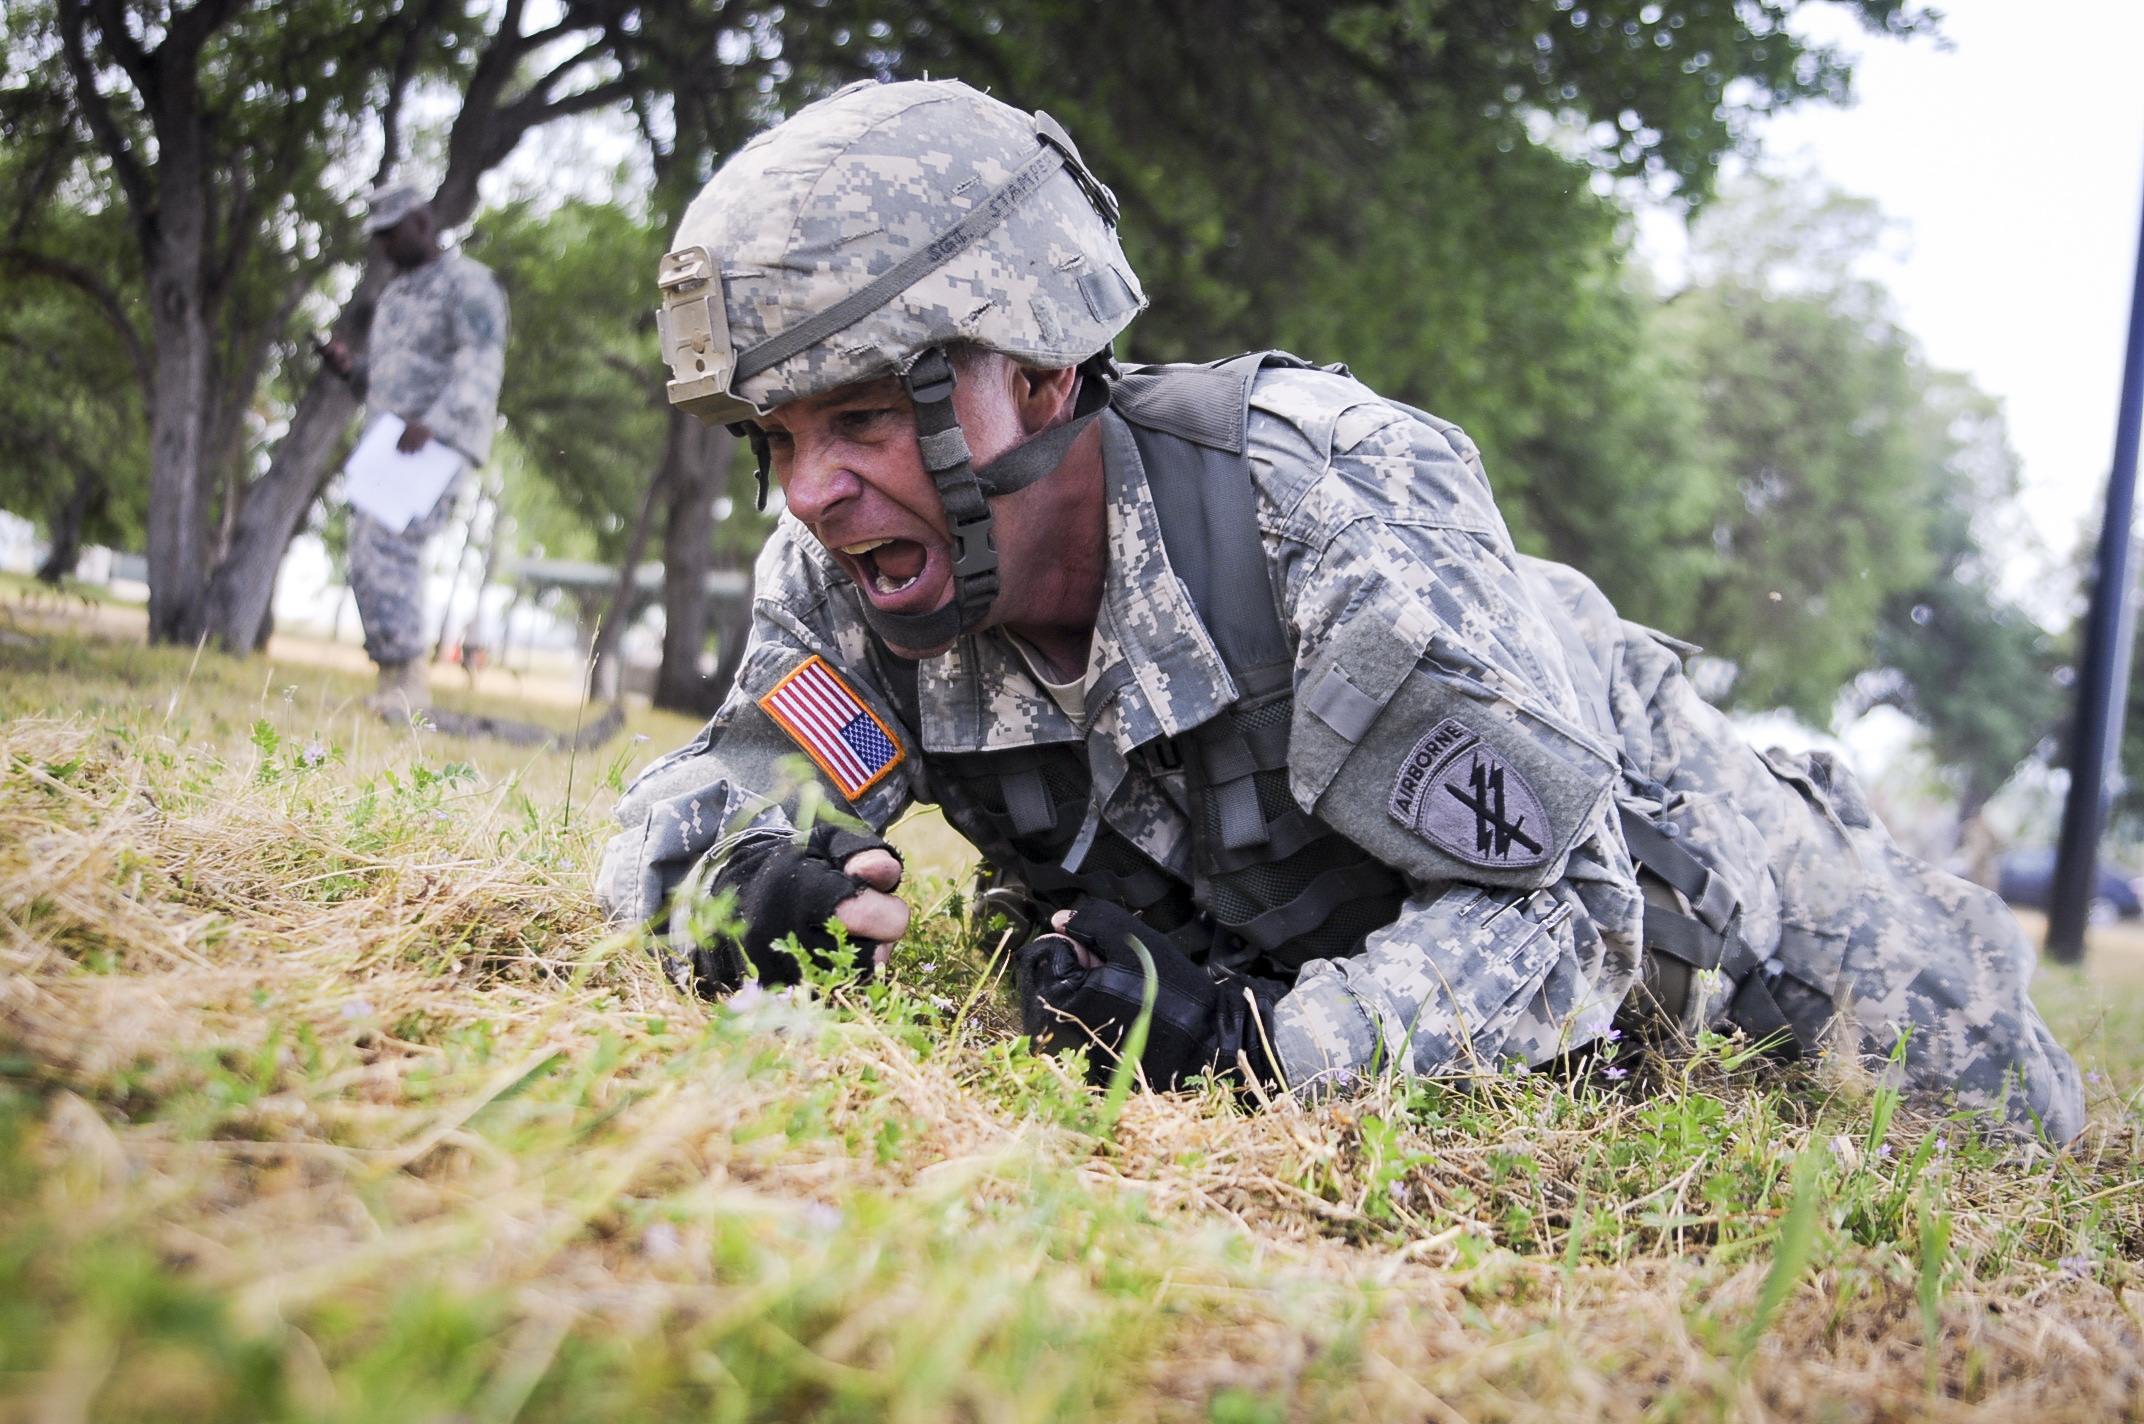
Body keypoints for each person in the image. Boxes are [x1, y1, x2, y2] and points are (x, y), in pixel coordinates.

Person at [596, 79, 2083, 1144]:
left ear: (1039, 369)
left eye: (857, 417)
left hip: (1720, 902)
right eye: (777, 439)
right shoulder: (857, 572)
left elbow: (1566, 909)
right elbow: (724, 788)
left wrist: (1261, 1053)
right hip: (1329, 925)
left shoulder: (1324, 504)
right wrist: (728, 884)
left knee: (2018, 1121)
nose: (809, 491)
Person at [321, 180, 508, 713]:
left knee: (389, 543)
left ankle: (408, 686)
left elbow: (481, 363)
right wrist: (350, 372)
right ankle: (393, 679)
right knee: (366, 551)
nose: (383, 247)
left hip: (437, 442)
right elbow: (389, 383)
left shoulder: (468, 284)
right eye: (378, 237)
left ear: (422, 224)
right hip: (391, 444)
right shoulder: (397, 294)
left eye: (390, 233)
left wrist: (437, 421)